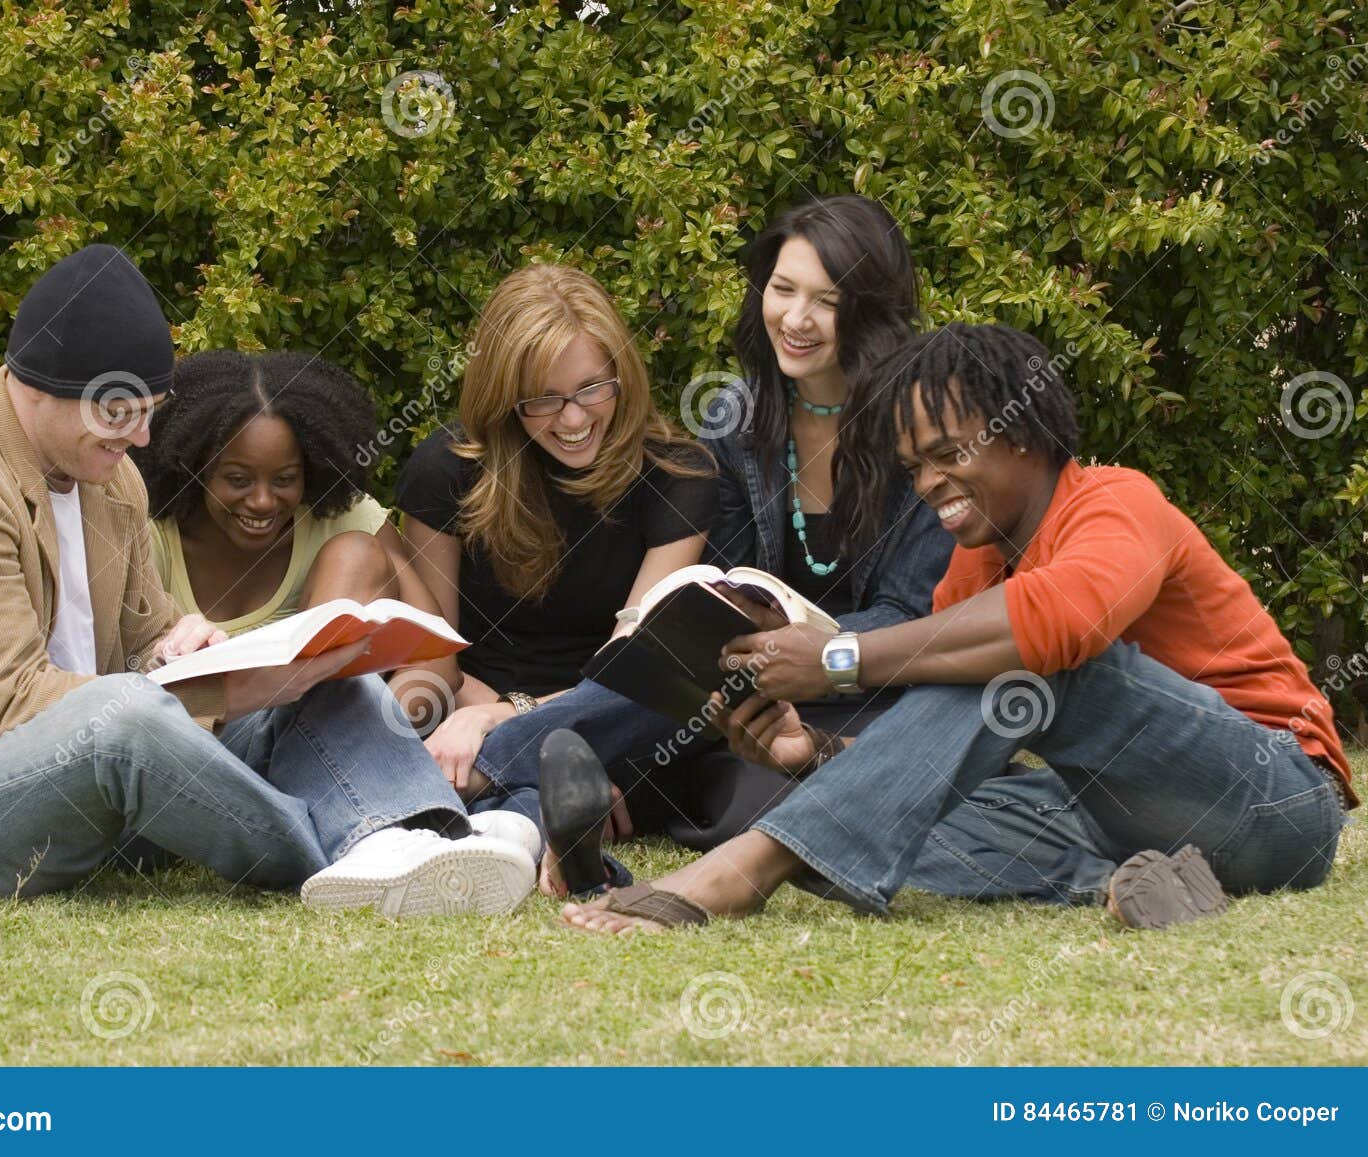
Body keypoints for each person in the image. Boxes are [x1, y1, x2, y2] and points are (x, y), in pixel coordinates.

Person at [0, 245, 535, 917]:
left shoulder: (109, 477)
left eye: (149, 412)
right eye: (121, 414)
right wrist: (222, 690)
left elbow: (143, 643)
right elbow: (11, 703)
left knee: (329, 676)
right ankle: (351, 853)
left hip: (97, 796)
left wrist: (184, 647)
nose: (141, 438)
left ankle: (425, 831)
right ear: (41, 386)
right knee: (126, 719)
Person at [562, 322, 1356, 933]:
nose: (928, 483)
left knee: (1028, 660)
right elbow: (946, 746)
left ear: (1023, 431)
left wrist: (838, 658)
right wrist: (817, 755)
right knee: (906, 826)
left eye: (946, 454)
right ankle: (1158, 881)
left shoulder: (1117, 501)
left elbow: (1058, 625)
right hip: (1114, 814)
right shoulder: (975, 566)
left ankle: (741, 874)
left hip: (1277, 800)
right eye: (914, 465)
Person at [467, 196, 967, 892]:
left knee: (744, 796)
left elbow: (909, 614)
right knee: (676, 698)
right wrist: (739, 634)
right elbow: (727, 579)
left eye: (826, 301)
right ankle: (556, 828)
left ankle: (493, 766)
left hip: (869, 687)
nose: (795, 318)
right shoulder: (738, 416)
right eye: (783, 289)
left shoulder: (921, 423)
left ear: (873, 309)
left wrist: (806, 651)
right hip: (747, 690)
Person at [392, 264, 718, 881]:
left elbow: (630, 666)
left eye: (593, 389)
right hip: (463, 712)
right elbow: (435, 654)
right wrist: (489, 715)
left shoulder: (678, 477)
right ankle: (552, 825)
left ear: (622, 374)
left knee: (688, 682)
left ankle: (505, 793)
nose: (572, 419)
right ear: (504, 398)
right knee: (426, 713)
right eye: (543, 399)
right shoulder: (445, 470)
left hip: (608, 721)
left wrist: (505, 720)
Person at [134, 349, 461, 728]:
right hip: (190, 743)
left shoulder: (340, 519)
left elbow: (438, 660)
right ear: (197, 467)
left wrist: (376, 729)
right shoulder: (150, 534)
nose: (262, 501)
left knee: (355, 554)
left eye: (285, 479)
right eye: (238, 480)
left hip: (318, 739)